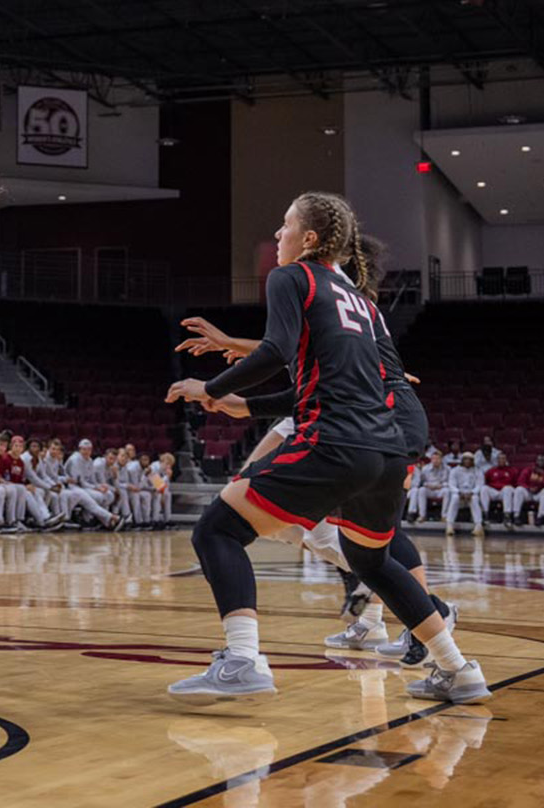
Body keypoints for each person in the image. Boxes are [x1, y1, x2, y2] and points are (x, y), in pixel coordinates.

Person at [164, 193, 487, 704]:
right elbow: (349, 380)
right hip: (387, 450)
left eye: (285, 224)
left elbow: (275, 351)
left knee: (217, 528)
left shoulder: (291, 277)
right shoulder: (363, 302)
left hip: (335, 441)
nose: (277, 234)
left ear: (309, 239)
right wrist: (245, 408)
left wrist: (212, 389)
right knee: (373, 562)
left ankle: (242, 659)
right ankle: (458, 668)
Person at [480, 451, 526, 530]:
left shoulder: (512, 470)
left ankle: (507, 516)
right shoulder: (491, 471)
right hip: (494, 491)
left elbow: (516, 484)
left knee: (507, 489)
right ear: (497, 460)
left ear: (506, 460)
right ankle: (485, 514)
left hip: (506, 491)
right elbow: (485, 482)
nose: (501, 460)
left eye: (503, 459)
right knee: (484, 488)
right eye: (499, 459)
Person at [443, 451, 485, 536]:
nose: (467, 461)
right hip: (459, 493)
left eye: (470, 460)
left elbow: (480, 484)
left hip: (471, 494)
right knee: (454, 497)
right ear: (462, 460)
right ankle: (450, 525)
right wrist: (459, 492)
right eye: (465, 459)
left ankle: (478, 525)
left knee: (475, 498)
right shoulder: (454, 470)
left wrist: (472, 492)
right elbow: (451, 484)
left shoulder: (478, 471)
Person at [405, 448, 448, 522]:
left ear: (441, 459)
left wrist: (440, 486)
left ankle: (412, 513)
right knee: (421, 490)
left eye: (437, 459)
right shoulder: (425, 468)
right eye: (434, 459)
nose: (435, 460)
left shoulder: (447, 469)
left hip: (439, 489)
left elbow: (418, 482)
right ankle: (422, 516)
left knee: (417, 490)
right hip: (399, 489)